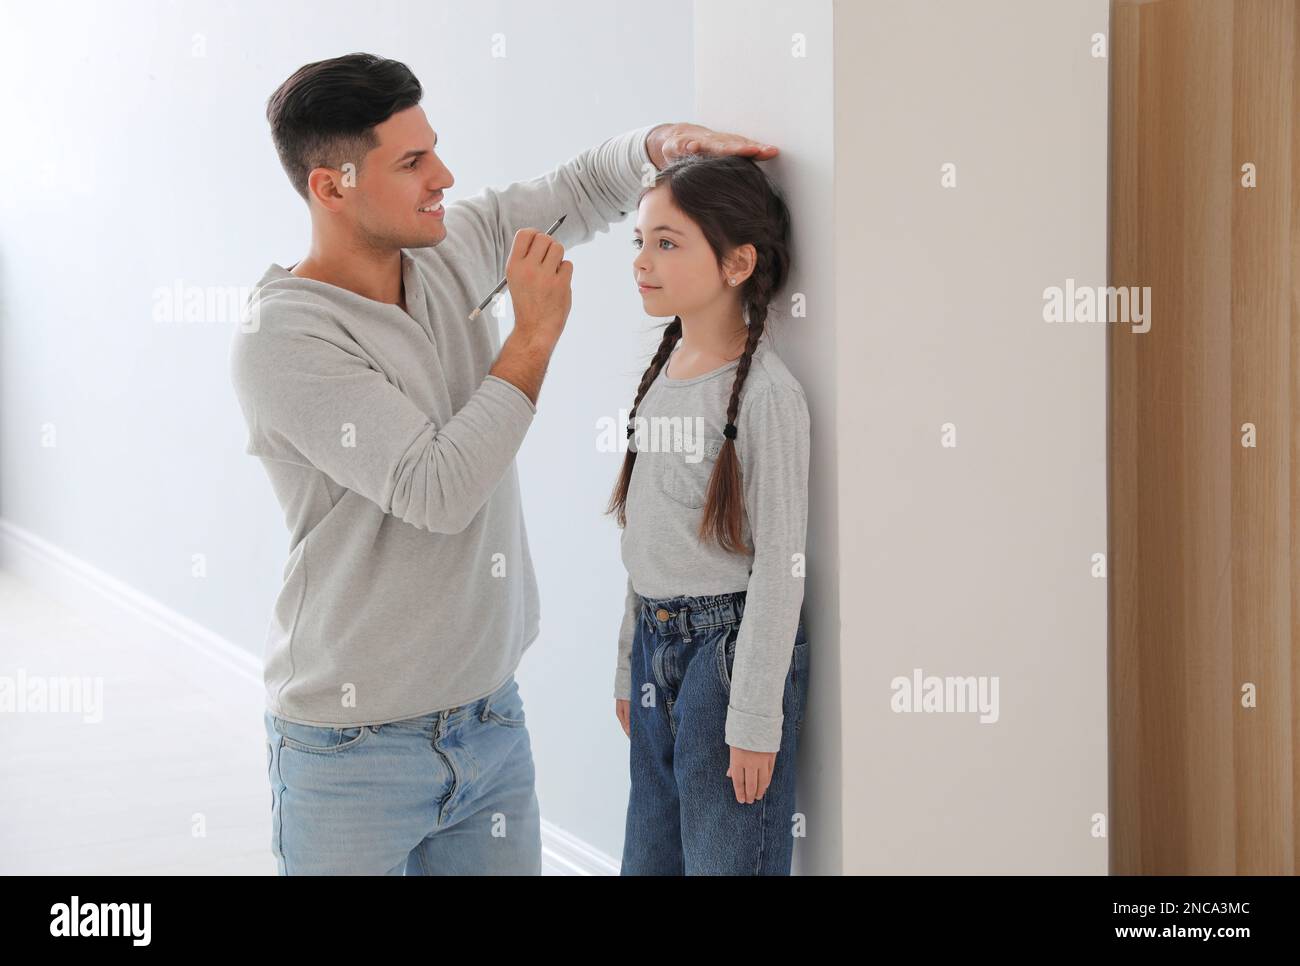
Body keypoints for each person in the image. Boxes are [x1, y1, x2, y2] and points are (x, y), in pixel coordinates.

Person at [227, 51, 778, 875]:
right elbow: (436, 488)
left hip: (489, 727)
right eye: (411, 162)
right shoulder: (286, 338)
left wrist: (662, 143)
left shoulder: (448, 252)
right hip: (351, 750)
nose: (441, 176)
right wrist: (532, 337)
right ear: (332, 186)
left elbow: (580, 189)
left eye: (434, 149)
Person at [607, 154, 811, 875]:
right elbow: (647, 538)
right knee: (650, 857)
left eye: (667, 242)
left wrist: (756, 718)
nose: (642, 261)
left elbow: (783, 566)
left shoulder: (766, 397)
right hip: (656, 648)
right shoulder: (662, 376)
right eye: (638, 241)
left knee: (726, 860)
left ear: (736, 263)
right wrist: (628, 662)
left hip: (724, 657)